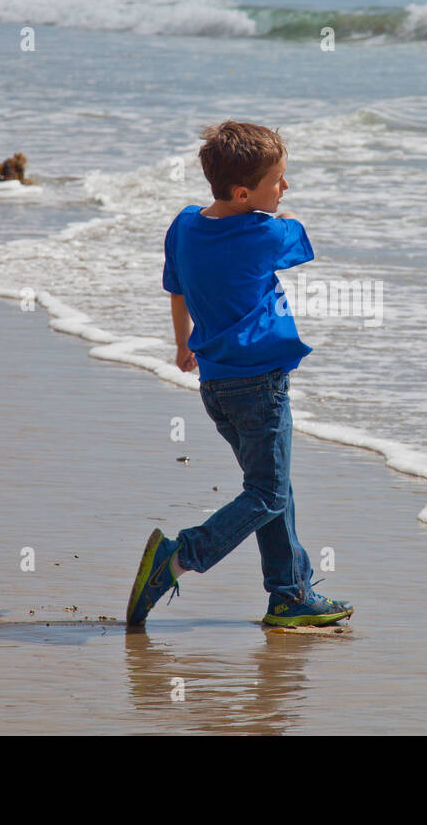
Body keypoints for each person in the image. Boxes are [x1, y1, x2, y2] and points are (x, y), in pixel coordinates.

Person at [125, 120, 353, 629]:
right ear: (245, 192)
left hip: (217, 385)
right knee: (268, 493)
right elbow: (297, 232)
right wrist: (278, 213)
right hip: (261, 386)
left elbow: (177, 288)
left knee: (271, 487)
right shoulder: (263, 233)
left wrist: (183, 343)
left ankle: (290, 594)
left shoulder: (185, 224)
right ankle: (181, 556)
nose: (285, 188)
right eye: (278, 180)